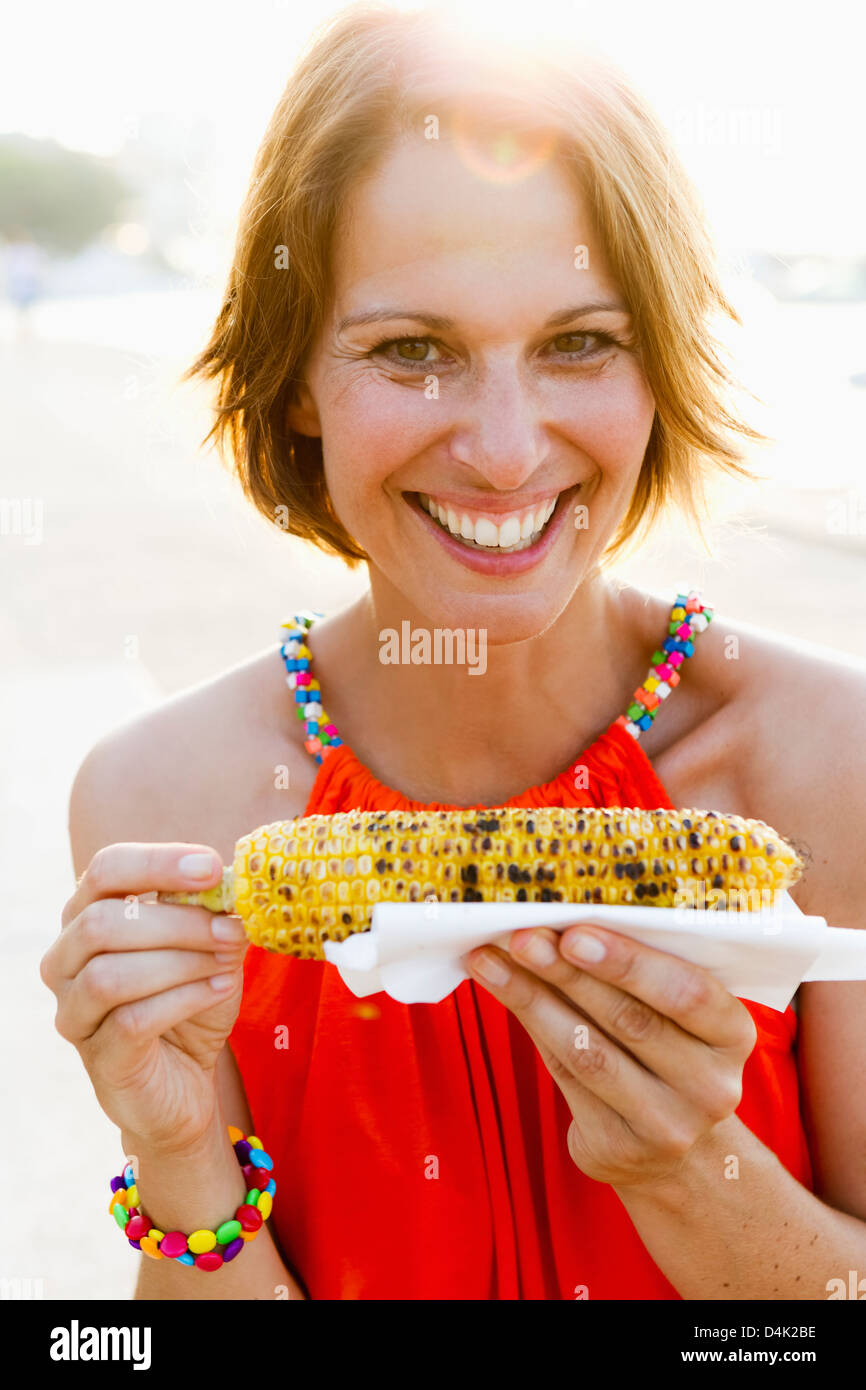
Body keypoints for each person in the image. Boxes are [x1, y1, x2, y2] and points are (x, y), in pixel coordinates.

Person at [41, 5, 866, 1300]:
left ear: (658, 365)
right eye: (411, 350)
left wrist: (688, 1170)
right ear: (295, 378)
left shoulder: (830, 765)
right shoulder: (166, 802)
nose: (503, 449)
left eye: (579, 342)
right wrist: (180, 1154)